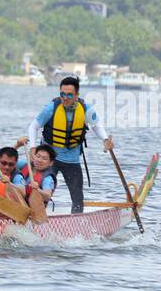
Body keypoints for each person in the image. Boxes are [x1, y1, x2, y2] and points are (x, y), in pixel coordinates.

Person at [27, 75, 112, 214]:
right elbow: (33, 127)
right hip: (49, 161)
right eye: (62, 94)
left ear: (77, 95)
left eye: (69, 95)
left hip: (72, 160)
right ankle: (35, 217)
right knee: (40, 191)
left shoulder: (86, 109)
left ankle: (76, 224)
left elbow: (97, 126)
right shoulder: (51, 108)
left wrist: (105, 139)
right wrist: (32, 147)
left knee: (77, 198)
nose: (65, 98)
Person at [17, 144, 58, 224]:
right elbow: (6, 161)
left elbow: (47, 195)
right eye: (38, 156)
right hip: (18, 205)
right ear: (34, 156)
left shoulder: (48, 178)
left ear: (50, 163)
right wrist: (17, 145)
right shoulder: (26, 164)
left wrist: (37, 189)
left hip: (33, 211)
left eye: (44, 158)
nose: (39, 160)